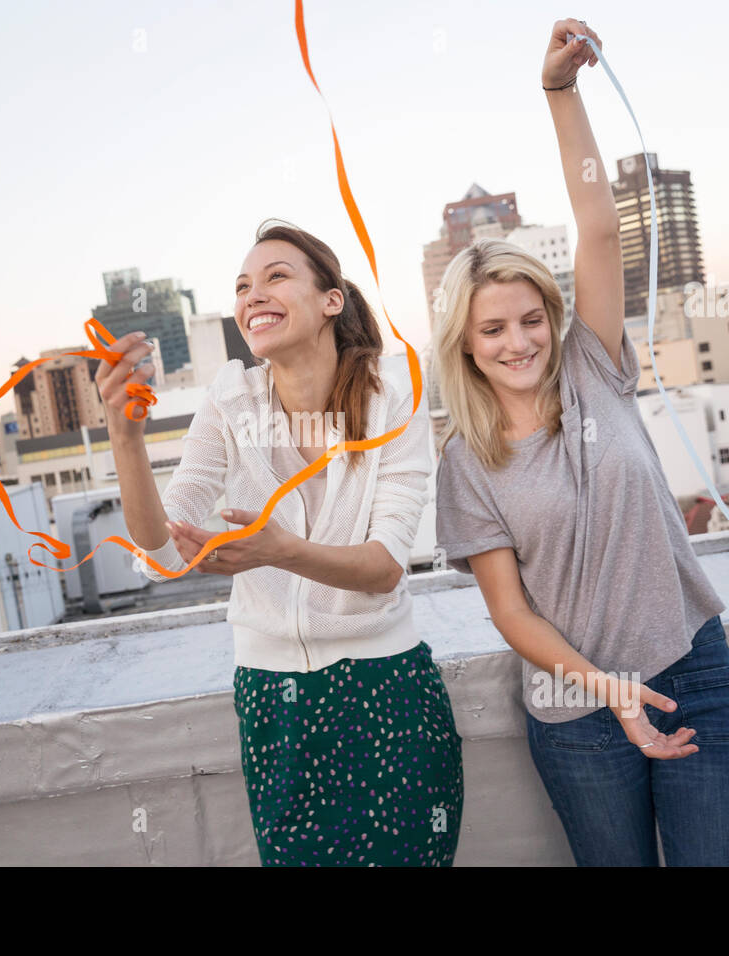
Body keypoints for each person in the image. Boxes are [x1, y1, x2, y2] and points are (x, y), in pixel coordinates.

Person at [432, 19, 729, 866]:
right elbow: (509, 611)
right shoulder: (466, 464)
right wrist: (610, 691)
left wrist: (560, 93)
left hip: (692, 672)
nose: (518, 342)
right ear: (466, 344)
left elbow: (600, 229)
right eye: (493, 329)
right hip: (576, 712)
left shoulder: (594, 366)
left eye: (531, 318)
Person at [99, 218, 463, 866]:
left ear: (331, 300)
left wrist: (277, 550)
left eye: (275, 277)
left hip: (388, 694)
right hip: (276, 704)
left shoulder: (394, 389)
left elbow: (383, 569)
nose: (252, 296)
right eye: (242, 286)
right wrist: (126, 440)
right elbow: (160, 554)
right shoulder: (229, 400)